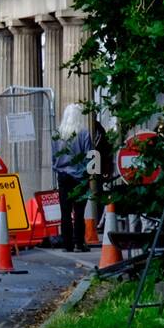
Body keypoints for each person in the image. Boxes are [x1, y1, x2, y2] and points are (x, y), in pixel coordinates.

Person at [52, 103, 93, 252]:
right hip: (80, 177)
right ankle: (79, 244)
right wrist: (90, 174)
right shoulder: (84, 133)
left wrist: (57, 168)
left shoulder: (58, 134)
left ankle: (67, 244)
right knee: (79, 212)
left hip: (63, 176)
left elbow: (53, 156)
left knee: (65, 212)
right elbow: (90, 155)